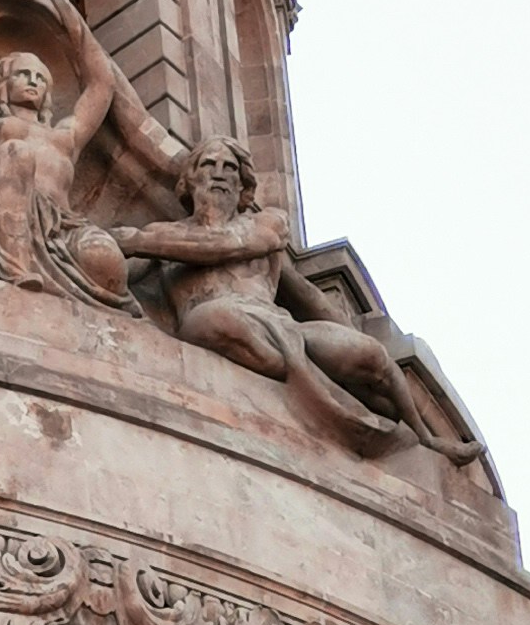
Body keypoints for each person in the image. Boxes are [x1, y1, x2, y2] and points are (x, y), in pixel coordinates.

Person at [109, 142, 480, 456]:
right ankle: (321, 388)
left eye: (230, 168)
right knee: (216, 317)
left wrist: (135, 239)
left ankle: (424, 436)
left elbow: (302, 293)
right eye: (209, 164)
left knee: (372, 357)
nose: (220, 174)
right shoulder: (164, 236)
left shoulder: (262, 227)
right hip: (215, 323)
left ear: (243, 186)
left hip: (277, 325)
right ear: (189, 180)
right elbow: (116, 276)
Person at [0, 34, 139, 304]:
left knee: (106, 260)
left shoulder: (66, 137)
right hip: (8, 215)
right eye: (23, 74)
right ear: (1, 84)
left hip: (62, 227)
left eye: (40, 77)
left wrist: (70, 24)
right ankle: (15, 272)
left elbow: (102, 86)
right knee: (16, 151)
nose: (33, 81)